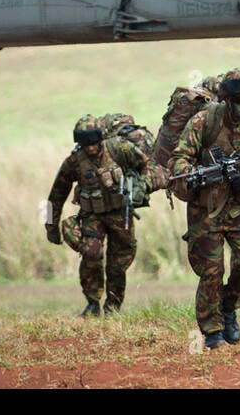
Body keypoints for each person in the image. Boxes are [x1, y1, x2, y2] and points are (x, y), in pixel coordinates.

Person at [170, 68, 240, 349]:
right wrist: (195, 176)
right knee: (210, 271)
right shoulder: (203, 122)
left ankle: (228, 306)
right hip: (206, 210)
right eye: (239, 100)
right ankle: (212, 333)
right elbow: (179, 159)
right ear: (226, 99)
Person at [45, 114, 165, 316]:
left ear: (100, 139)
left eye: (93, 142)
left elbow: (149, 166)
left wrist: (143, 184)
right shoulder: (74, 162)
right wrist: (51, 226)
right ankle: (92, 303)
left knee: (118, 265)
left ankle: (113, 308)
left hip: (120, 213)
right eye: (85, 144)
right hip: (92, 216)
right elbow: (55, 195)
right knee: (91, 254)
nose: (90, 148)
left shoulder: (119, 149)